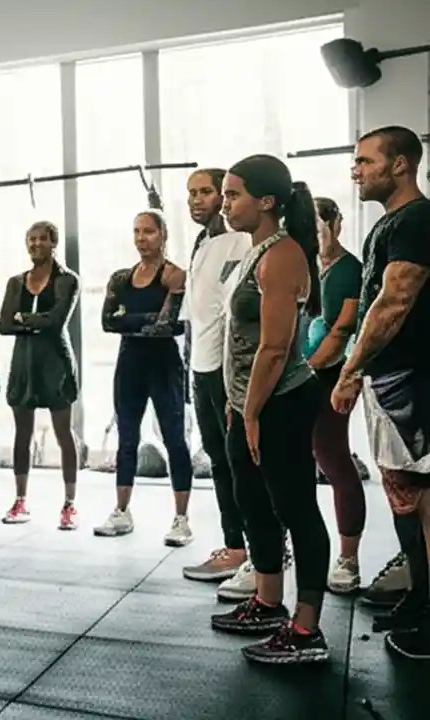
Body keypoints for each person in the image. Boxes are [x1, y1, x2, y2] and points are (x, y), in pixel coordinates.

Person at [208, 154, 331, 665]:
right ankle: (267, 599)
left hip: (280, 401)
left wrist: (253, 410)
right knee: (252, 500)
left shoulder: (282, 256)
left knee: (295, 506)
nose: (224, 202)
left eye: (233, 194)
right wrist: (239, 405)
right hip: (251, 402)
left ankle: (306, 629)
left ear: (267, 202)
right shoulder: (254, 252)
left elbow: (276, 347)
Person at [330, 125, 430, 660]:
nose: (356, 169)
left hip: (414, 379)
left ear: (400, 165)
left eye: (366, 160)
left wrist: (349, 370)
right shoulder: (387, 225)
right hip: (388, 379)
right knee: (403, 493)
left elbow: (393, 304)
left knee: (425, 495)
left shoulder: (418, 219)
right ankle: (420, 596)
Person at [178, 168, 255, 590]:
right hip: (201, 369)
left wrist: (233, 380)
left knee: (241, 464)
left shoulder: (239, 241)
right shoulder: (203, 241)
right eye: (191, 193)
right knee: (220, 462)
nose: (197, 199)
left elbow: (233, 316)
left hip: (225, 373)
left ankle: (258, 552)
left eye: (206, 191)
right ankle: (235, 547)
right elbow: (199, 315)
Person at [97, 210, 194, 545]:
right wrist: (145, 319)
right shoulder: (121, 278)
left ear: (163, 234)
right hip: (130, 364)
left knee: (174, 439)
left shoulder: (174, 274)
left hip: (163, 364)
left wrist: (130, 318)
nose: (141, 238)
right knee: (127, 439)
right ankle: (122, 512)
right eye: (137, 231)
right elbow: (108, 321)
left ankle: (181, 519)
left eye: (149, 231)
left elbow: (169, 325)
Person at [0, 222, 82, 529]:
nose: (35, 244)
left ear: (53, 243)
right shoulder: (15, 282)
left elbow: (56, 322)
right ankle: (20, 500)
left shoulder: (68, 280)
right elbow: (4, 325)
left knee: (63, 432)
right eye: (30, 239)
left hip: (55, 363)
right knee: (22, 433)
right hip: (24, 362)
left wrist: (25, 318)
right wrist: (32, 321)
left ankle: (69, 504)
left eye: (41, 239)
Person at [303, 196, 366, 595]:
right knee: (291, 464)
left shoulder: (352, 270)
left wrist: (308, 372)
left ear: (336, 225)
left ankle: (349, 558)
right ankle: (286, 549)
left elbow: (342, 331)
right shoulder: (302, 266)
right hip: (295, 375)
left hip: (332, 376)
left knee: (332, 457)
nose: (315, 237)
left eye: (320, 228)